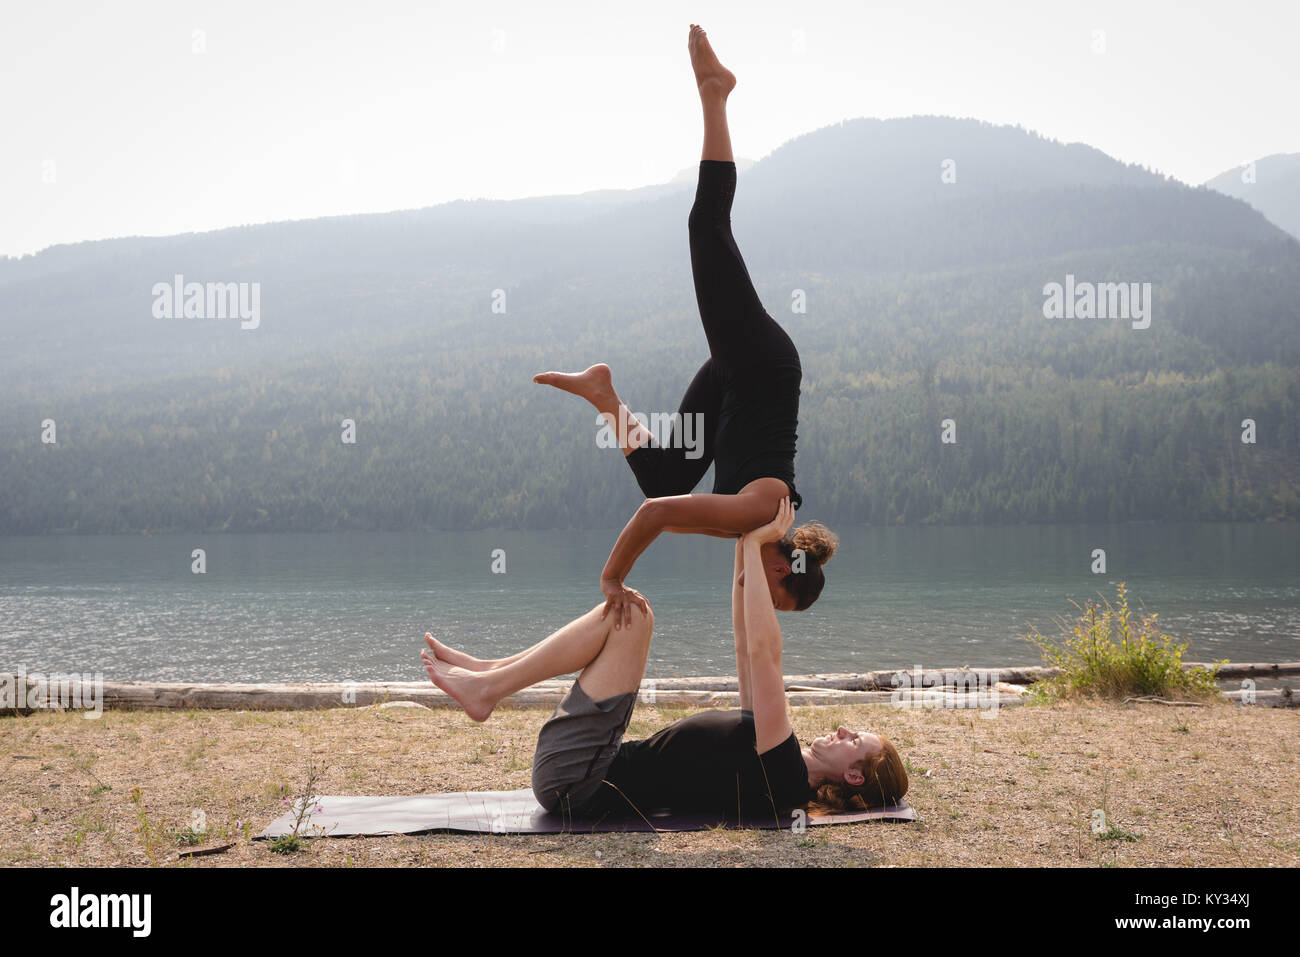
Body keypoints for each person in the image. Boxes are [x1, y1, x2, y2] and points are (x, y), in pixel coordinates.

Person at [533, 25, 839, 629]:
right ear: (782, 570)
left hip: (736, 385)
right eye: (770, 595)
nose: (759, 595)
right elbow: (655, 520)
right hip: (759, 365)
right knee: (706, 225)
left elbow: (664, 501)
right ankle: (715, 94)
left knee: (664, 475)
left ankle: (603, 393)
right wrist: (613, 579)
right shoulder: (753, 517)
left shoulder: (760, 531)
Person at [422, 498, 908, 821]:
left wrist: (759, 543)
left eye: (855, 740)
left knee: (631, 614)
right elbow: (745, 644)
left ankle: (489, 687)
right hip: (579, 772)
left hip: (578, 782)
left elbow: (764, 650)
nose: (844, 729)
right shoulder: (774, 752)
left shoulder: (784, 772)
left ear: (854, 776)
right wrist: (747, 543)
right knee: (630, 614)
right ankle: (491, 675)